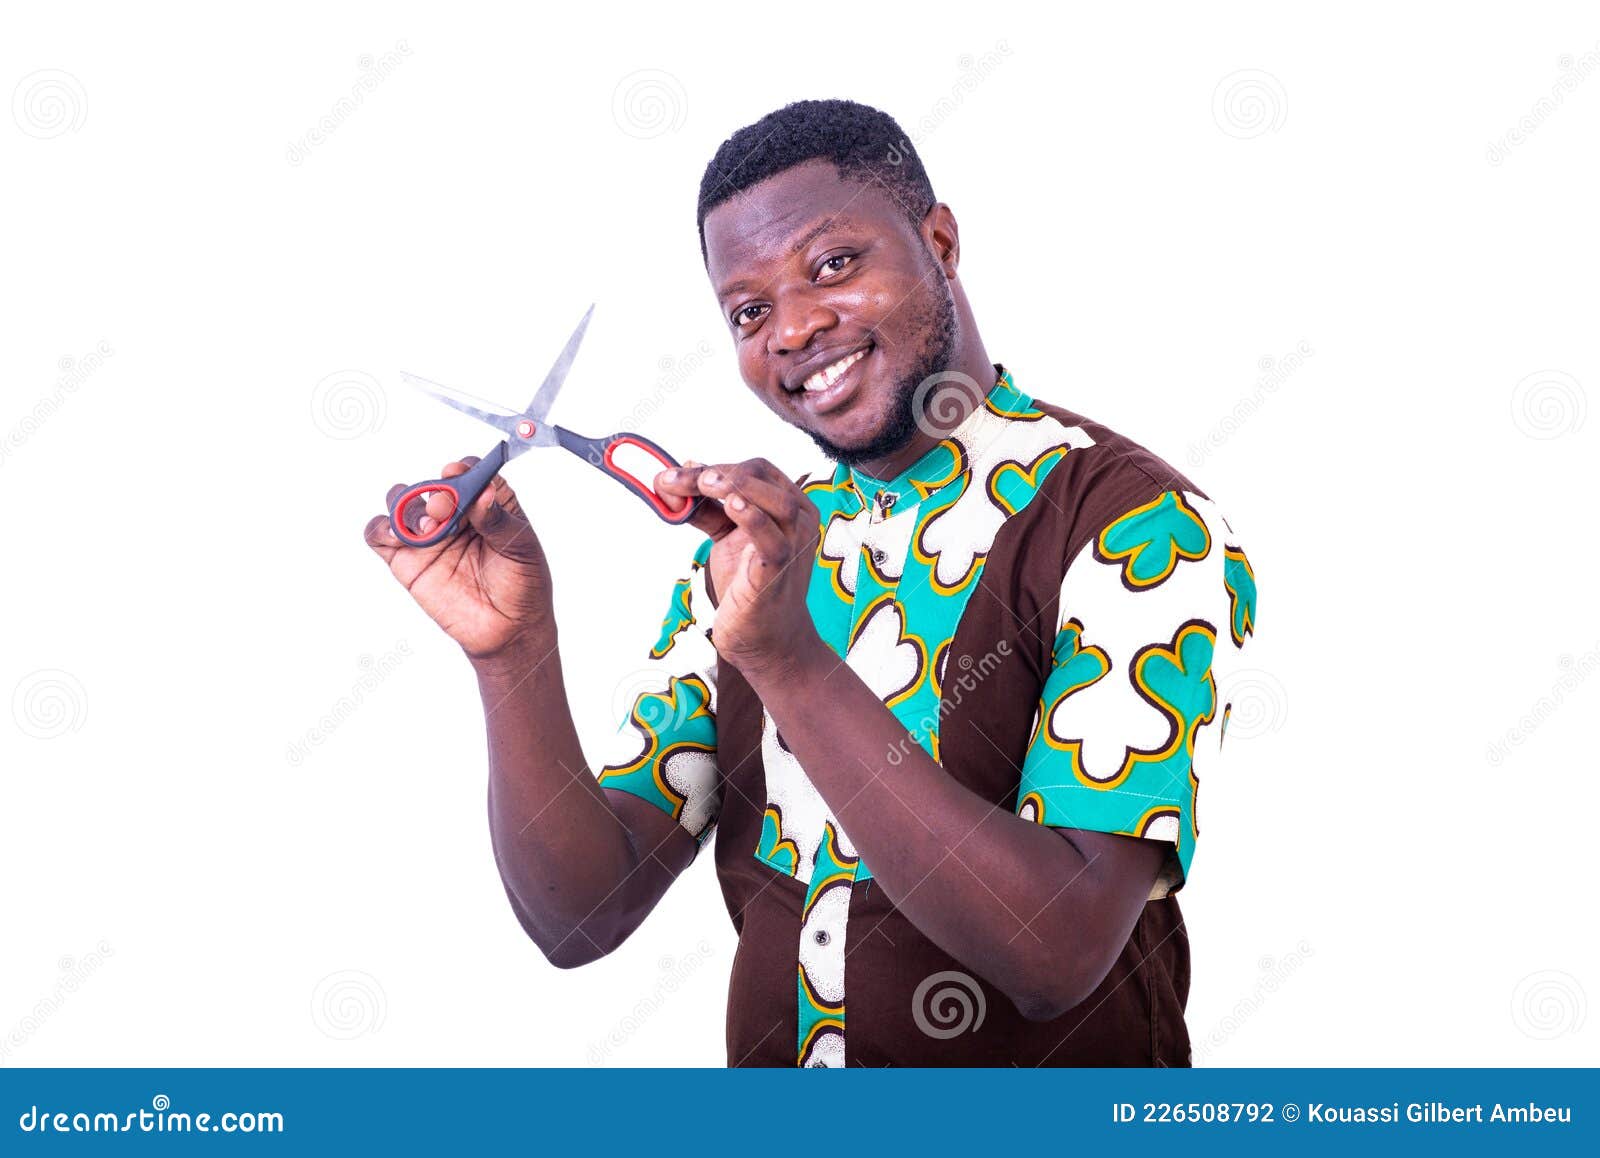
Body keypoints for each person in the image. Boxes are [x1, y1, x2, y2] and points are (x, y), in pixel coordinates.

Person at [363, 99, 1259, 1067]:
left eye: (833, 266)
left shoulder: (1134, 527)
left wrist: (788, 662)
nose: (790, 329)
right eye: (748, 310)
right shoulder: (747, 558)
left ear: (940, 242)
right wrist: (513, 654)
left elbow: (1056, 950)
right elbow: (583, 916)